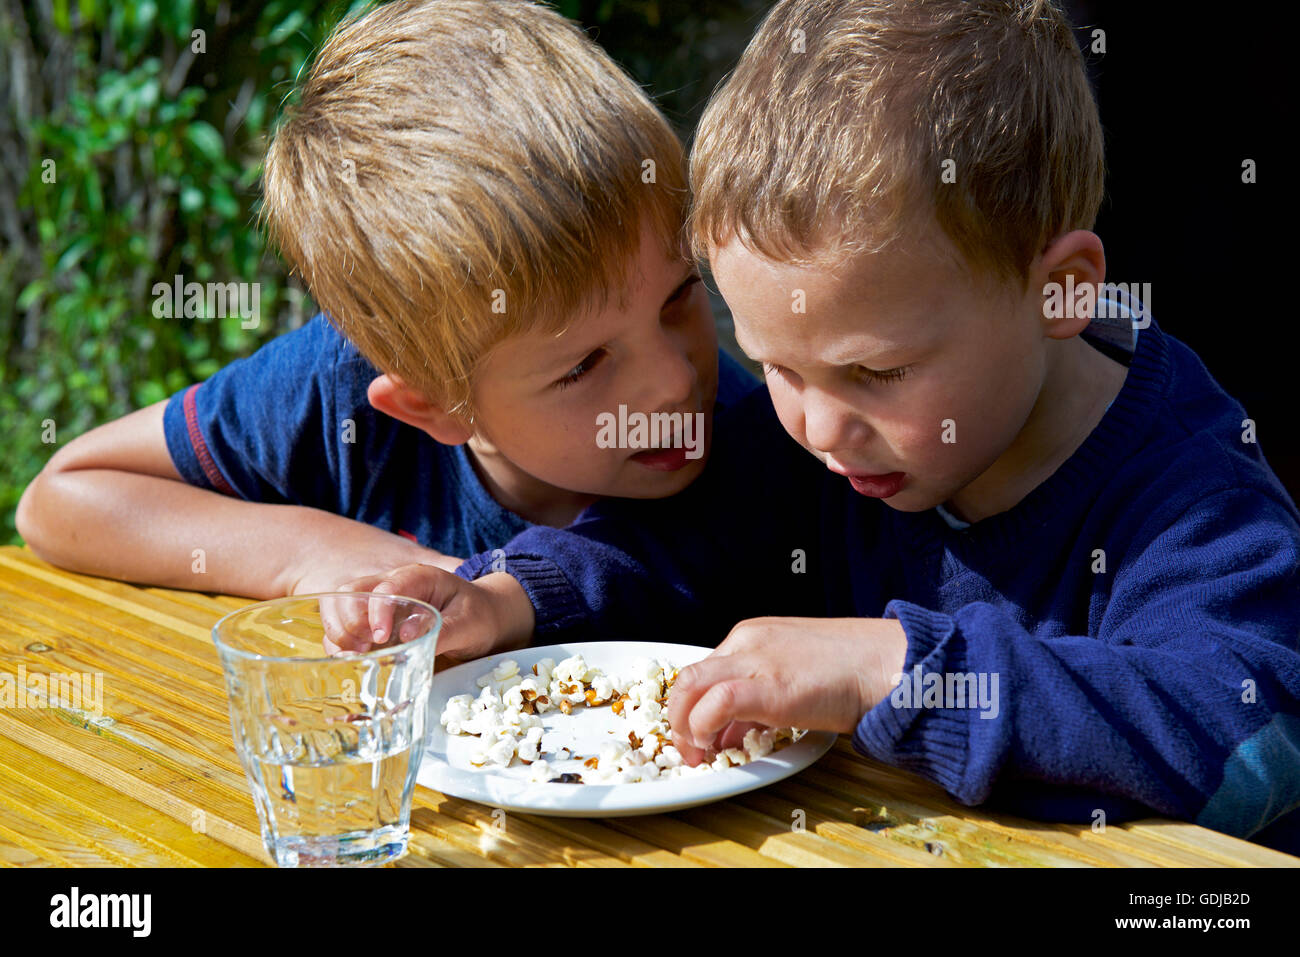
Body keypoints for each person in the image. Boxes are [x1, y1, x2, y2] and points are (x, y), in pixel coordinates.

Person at [350, 0, 1300, 853]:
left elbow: (1248, 738)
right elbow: (689, 536)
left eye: (875, 372)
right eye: (772, 366)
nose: (817, 426)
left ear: (1061, 287)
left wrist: (892, 669)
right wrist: (512, 599)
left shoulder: (1191, 492)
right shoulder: (816, 442)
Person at [15, 0, 757, 605]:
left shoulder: (760, 449)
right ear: (431, 404)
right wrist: (312, 552)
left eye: (680, 294)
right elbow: (61, 498)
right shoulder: (332, 396)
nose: (675, 379)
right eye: (587, 363)